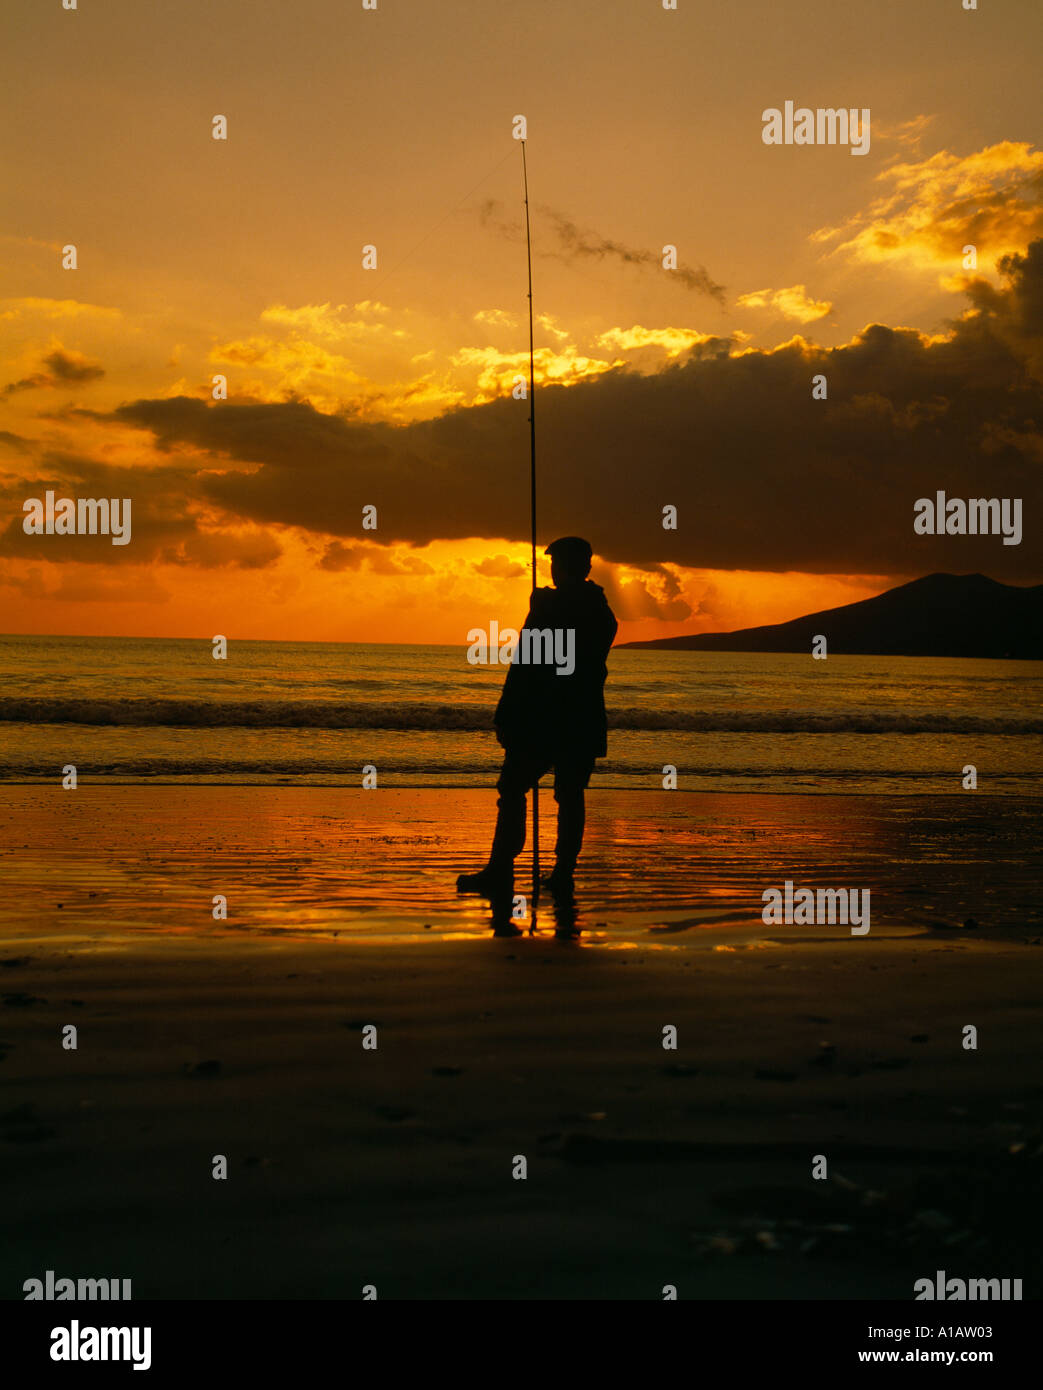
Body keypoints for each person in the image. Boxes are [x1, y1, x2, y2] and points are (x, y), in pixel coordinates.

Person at [457, 536, 617, 898]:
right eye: (555, 564)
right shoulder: (596, 610)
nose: (554, 571)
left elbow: (529, 662)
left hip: (546, 718)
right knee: (554, 792)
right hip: (575, 718)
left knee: (527, 790)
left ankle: (523, 870)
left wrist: (544, 608)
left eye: (559, 564)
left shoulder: (577, 609)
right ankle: (545, 871)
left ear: (579, 568)